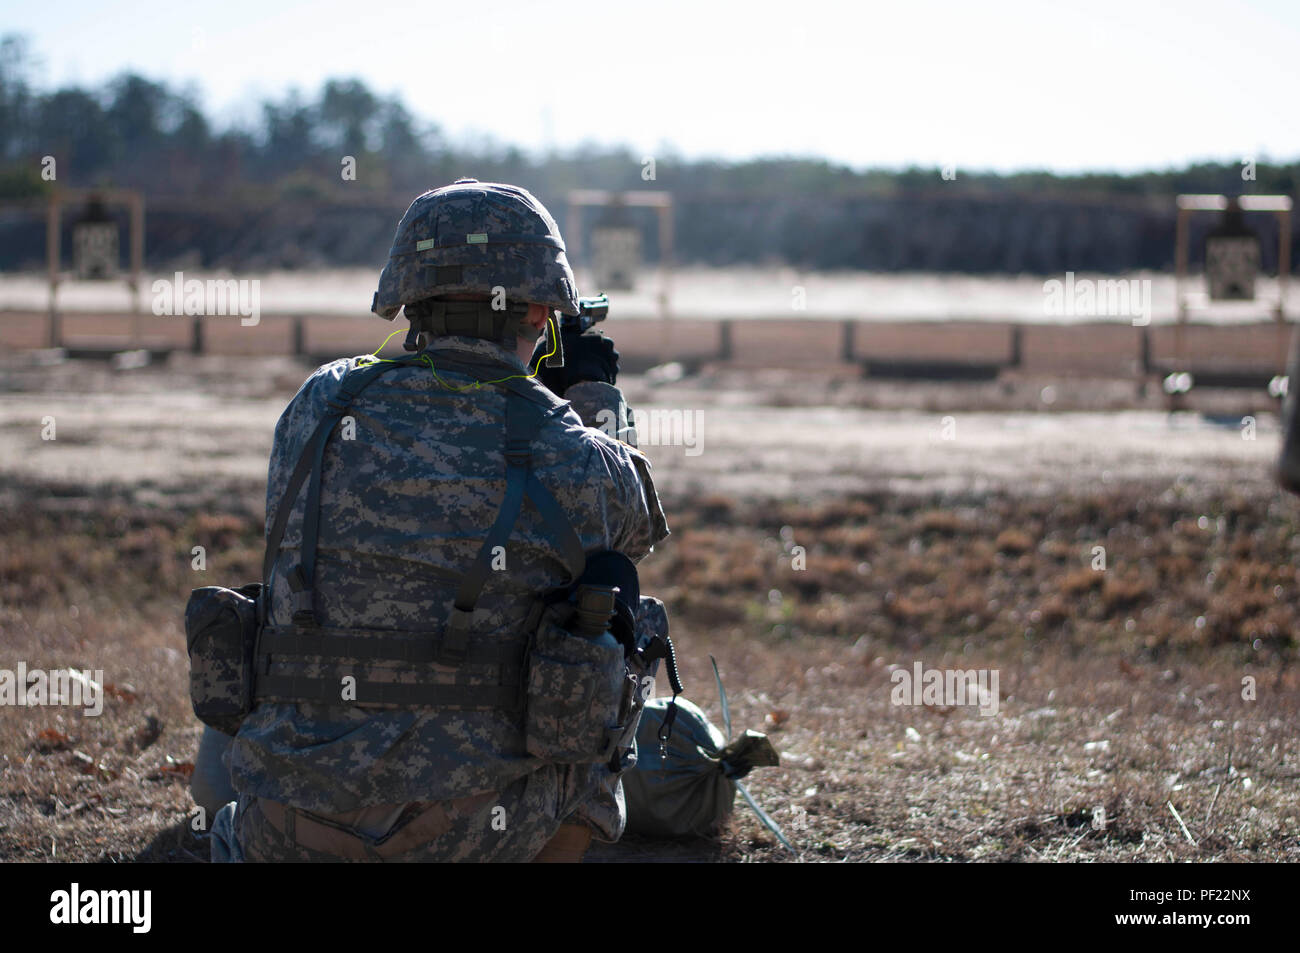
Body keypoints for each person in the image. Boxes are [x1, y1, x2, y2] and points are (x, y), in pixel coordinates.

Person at [207, 178, 670, 862]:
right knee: (626, 614)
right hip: (469, 838)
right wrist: (590, 396)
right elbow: (636, 527)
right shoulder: (564, 447)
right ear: (542, 312)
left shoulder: (318, 407)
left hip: (284, 827)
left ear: (410, 298)